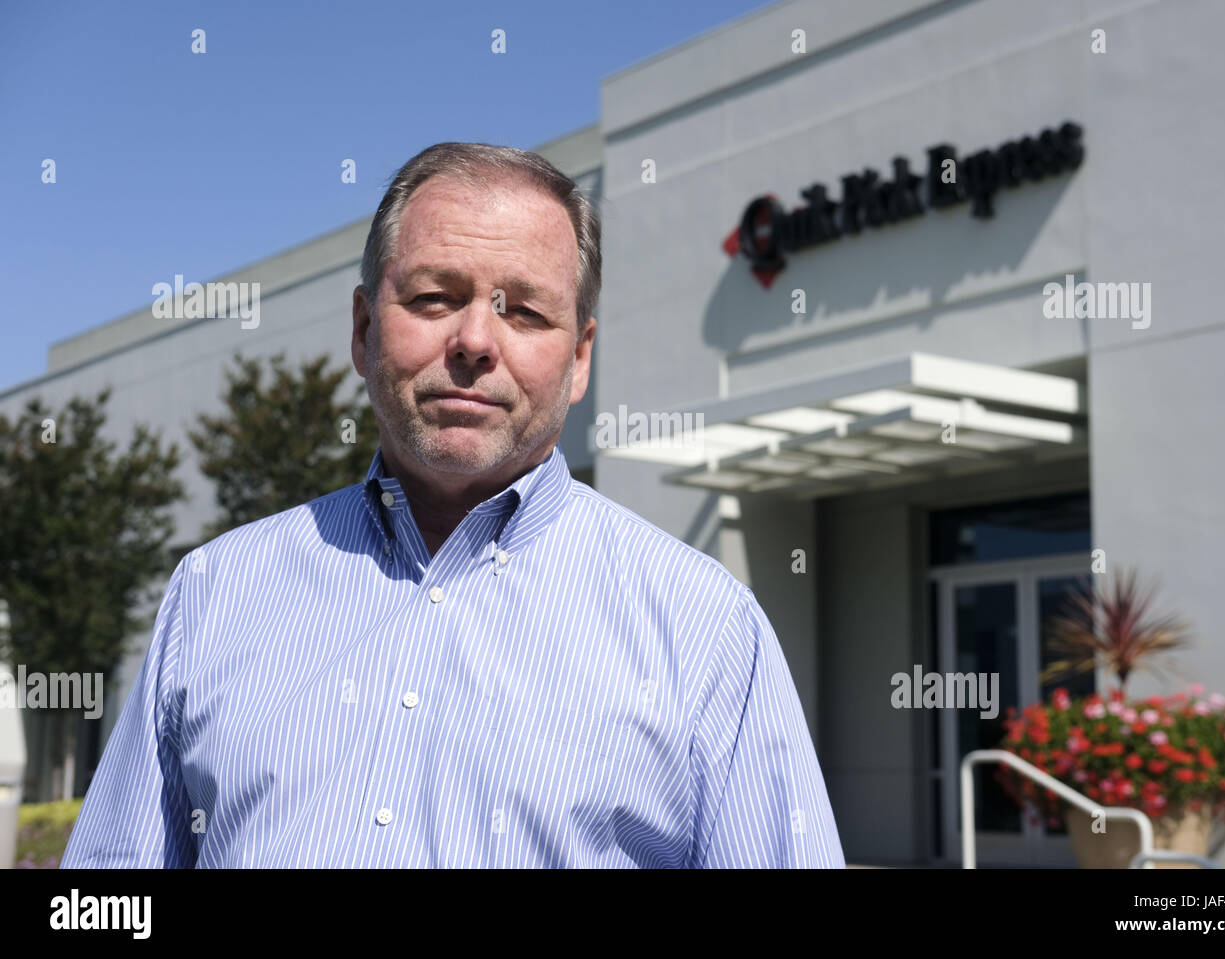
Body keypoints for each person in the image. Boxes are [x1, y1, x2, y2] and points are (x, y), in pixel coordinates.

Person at [61, 142, 845, 868]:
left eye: (524, 311)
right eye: (435, 297)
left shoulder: (708, 630)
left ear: (578, 359)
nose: (475, 340)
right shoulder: (214, 594)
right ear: (365, 330)